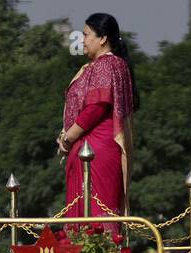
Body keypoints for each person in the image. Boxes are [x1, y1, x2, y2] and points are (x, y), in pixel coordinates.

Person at [57, 13, 139, 230]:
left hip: (94, 153)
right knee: (92, 219)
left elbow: (96, 107)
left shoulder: (105, 65)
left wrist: (68, 138)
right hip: (96, 150)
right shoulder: (113, 65)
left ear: (102, 38)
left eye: (86, 35)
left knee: (93, 220)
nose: (82, 40)